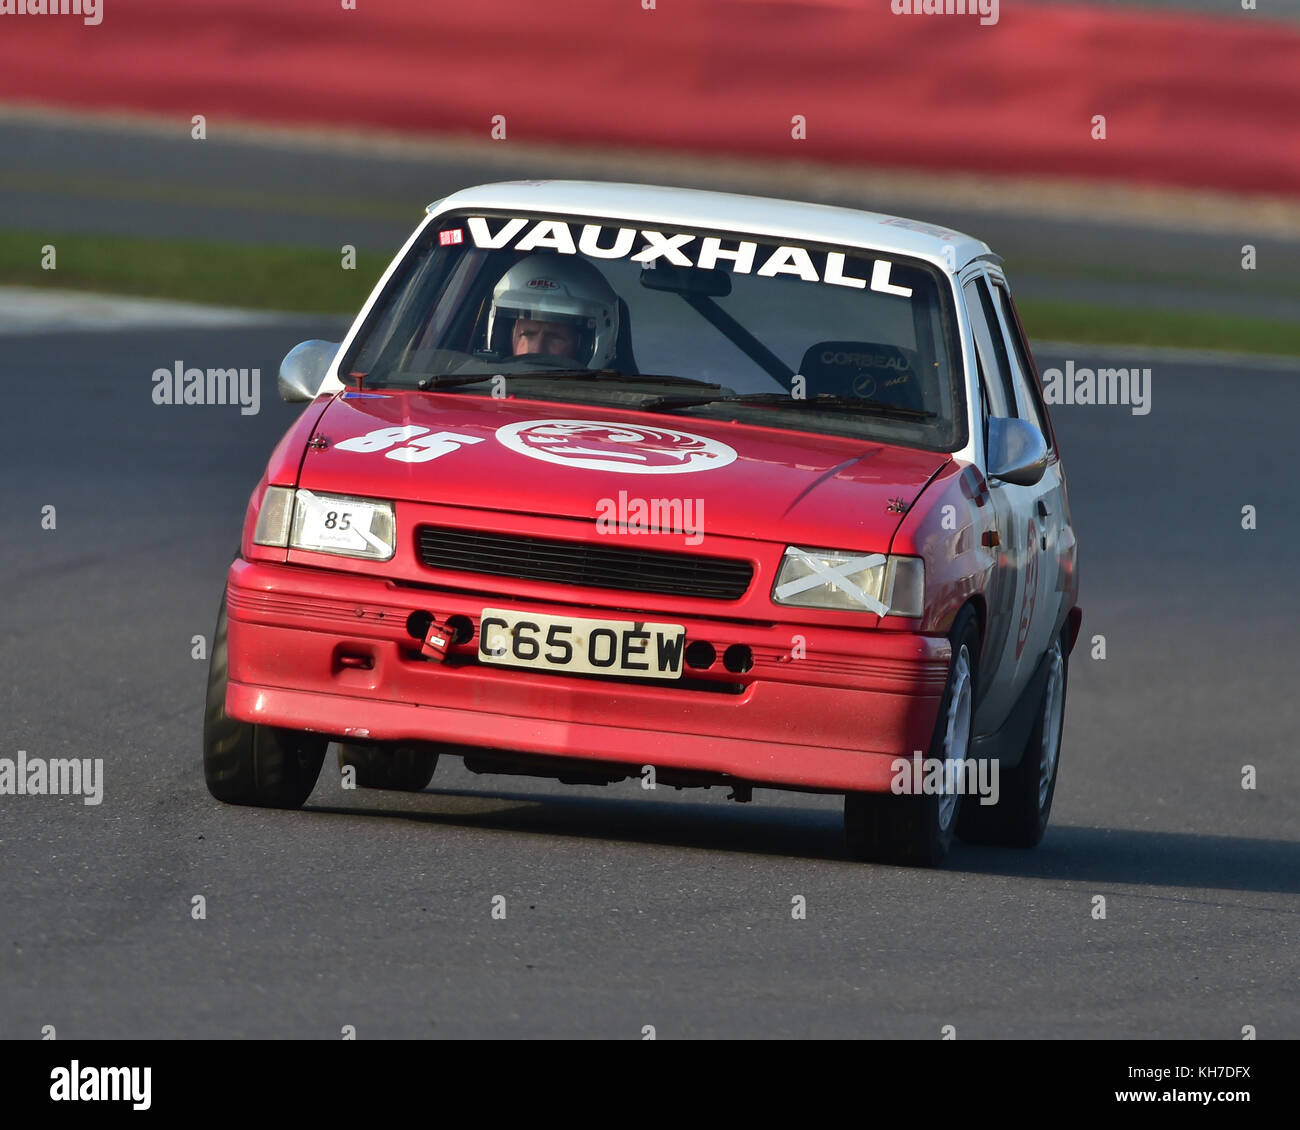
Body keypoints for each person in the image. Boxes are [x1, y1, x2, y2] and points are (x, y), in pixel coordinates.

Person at [486, 254, 621, 367]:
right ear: (506, 337)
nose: (538, 350)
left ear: (583, 347)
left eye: (554, 337)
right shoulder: (480, 391)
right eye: (527, 334)